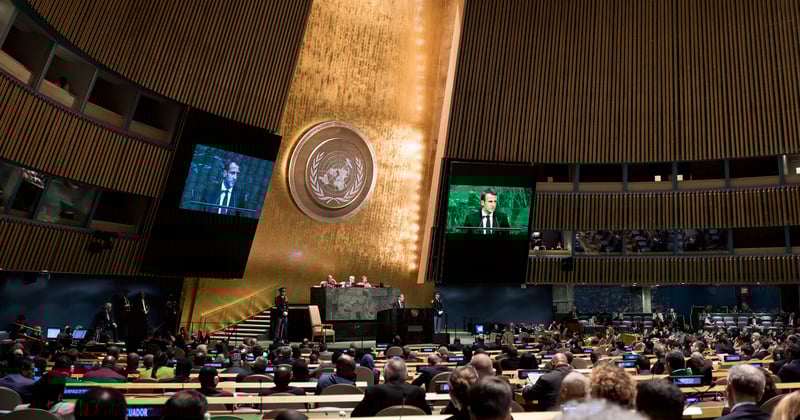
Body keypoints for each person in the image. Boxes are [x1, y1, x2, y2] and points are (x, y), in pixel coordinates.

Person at [351, 358, 431, 416]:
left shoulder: (373, 391)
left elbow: (355, 415)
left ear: (385, 375)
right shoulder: (418, 392)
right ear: (406, 375)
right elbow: (428, 415)